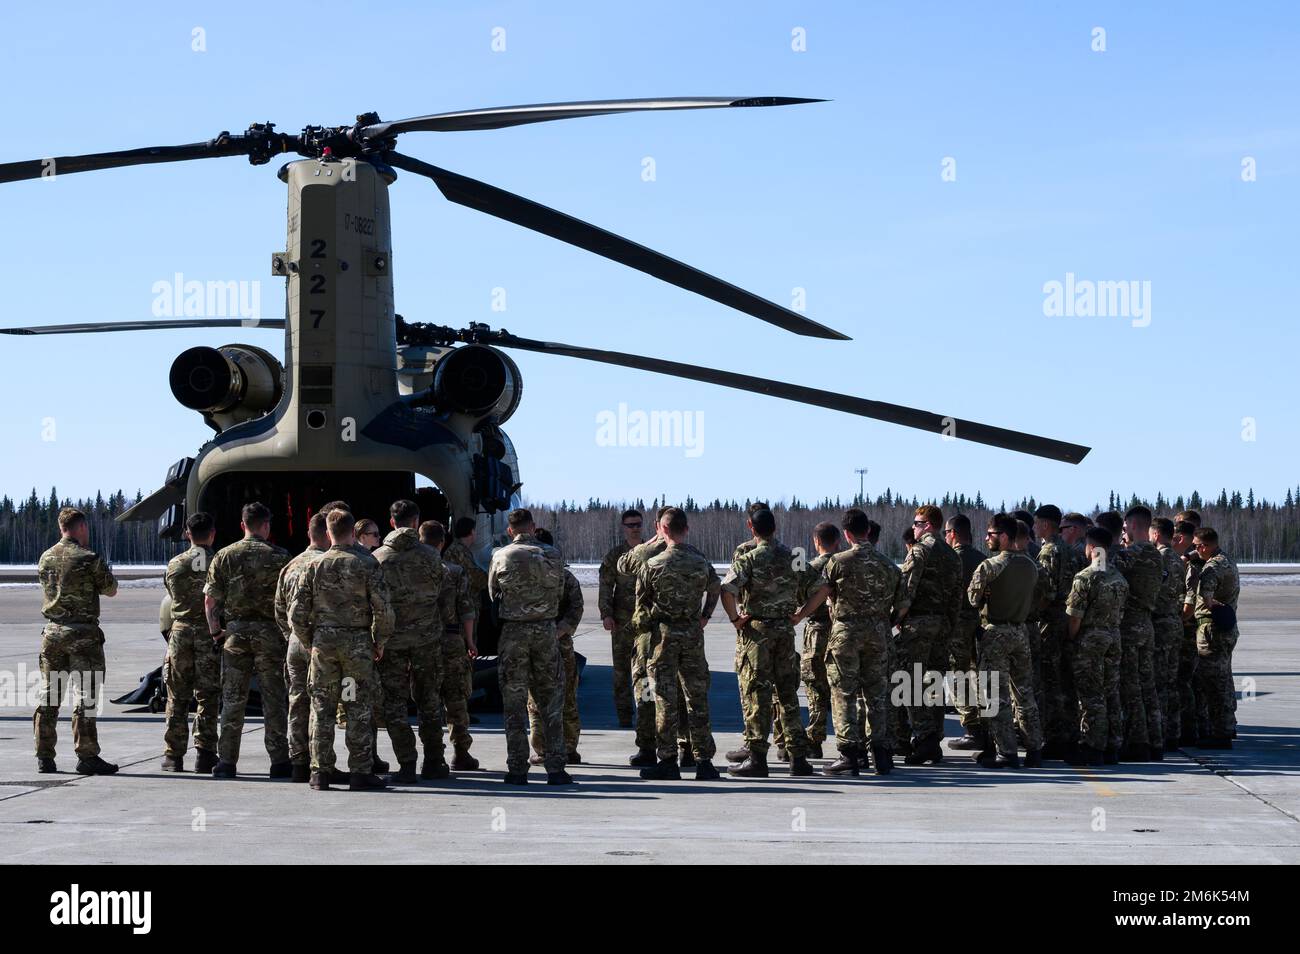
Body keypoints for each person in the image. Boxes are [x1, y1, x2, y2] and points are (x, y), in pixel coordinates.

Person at [289, 508, 393, 790]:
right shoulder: (367, 564)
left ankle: (319, 772)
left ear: (328, 531)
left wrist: (311, 641)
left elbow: (296, 613)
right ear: (351, 531)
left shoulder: (314, 566)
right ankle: (360, 771)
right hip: (357, 645)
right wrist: (378, 642)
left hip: (324, 645)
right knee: (357, 705)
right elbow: (383, 610)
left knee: (321, 707)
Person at [793, 508, 900, 776]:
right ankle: (881, 754)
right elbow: (900, 600)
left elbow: (822, 593)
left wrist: (799, 615)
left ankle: (850, 755)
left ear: (847, 534)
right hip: (878, 633)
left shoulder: (839, 562)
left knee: (843, 693)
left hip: (847, 633)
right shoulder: (888, 565)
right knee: (876, 694)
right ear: (867, 531)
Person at [721, 508, 814, 777]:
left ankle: (758, 758)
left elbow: (726, 590)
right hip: (785, 630)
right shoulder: (794, 556)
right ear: (775, 527)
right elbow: (821, 586)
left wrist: (735, 618)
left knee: (757, 695)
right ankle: (798, 757)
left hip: (757, 632)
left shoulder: (749, 558)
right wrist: (800, 614)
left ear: (751, 527)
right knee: (788, 694)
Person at [634, 507, 723, 781]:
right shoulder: (700, 562)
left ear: (662, 530)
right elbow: (715, 587)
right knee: (697, 698)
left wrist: (646, 627)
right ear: (686, 530)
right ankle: (704, 761)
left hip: (664, 638)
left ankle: (668, 760)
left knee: (664, 700)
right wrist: (705, 615)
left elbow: (640, 609)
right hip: (693, 636)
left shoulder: (653, 565)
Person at [488, 508, 574, 785]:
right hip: (546, 631)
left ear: (510, 530)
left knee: (514, 702)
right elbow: (560, 591)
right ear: (533, 527)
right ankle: (556, 768)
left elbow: (492, 594)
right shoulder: (553, 554)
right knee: (550, 700)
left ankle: (516, 768)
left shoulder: (500, 555)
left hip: (514, 632)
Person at [204, 502, 290, 779]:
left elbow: (210, 600)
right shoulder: (280, 557)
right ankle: (279, 761)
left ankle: (227, 761)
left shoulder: (225, 556)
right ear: (266, 526)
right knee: (274, 700)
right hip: (270, 634)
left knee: (232, 699)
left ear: (243, 525)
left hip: (236, 634)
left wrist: (216, 631)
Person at [34, 506, 119, 775]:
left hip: (53, 634)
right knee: (86, 697)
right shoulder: (89, 557)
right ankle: (87, 755)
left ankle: (44, 756)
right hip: (82, 636)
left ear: (62, 528)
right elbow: (111, 589)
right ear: (80, 527)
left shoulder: (46, 558)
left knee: (50, 695)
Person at [373, 499, 447, 784]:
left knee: (394, 703)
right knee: (429, 700)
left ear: (391, 522)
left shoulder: (377, 558)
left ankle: (406, 763)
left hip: (391, 642)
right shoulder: (431, 557)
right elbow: (442, 594)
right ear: (416, 522)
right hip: (426, 639)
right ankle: (433, 761)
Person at [967, 513, 1043, 768]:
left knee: (994, 695)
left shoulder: (989, 567)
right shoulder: (1031, 565)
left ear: (1005, 537)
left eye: (991, 534)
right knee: (1024, 693)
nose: (987, 538)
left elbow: (972, 599)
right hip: (1020, 633)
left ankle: (1007, 750)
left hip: (995, 633)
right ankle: (1034, 748)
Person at [892, 505, 963, 764]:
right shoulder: (952, 556)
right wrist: (949, 626)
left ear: (929, 525)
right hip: (943, 624)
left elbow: (906, 593)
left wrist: (896, 619)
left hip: (919, 624)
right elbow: (957, 598)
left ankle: (925, 740)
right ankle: (935, 735)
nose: (914, 527)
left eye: (917, 523)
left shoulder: (920, 551)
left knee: (911, 683)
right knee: (933, 682)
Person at [273, 510, 332, 783]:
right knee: (322, 703)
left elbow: (279, 609)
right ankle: (322, 764)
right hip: (321, 642)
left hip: (295, 643)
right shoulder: (327, 564)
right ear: (329, 534)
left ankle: (298, 762)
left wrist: (293, 637)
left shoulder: (290, 565)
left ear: (309, 533)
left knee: (297, 701)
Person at [1062, 527, 1128, 766]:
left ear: (1092, 548)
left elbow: (1074, 617)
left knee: (1091, 695)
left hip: (1090, 641)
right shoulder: (1118, 577)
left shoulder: (1085, 577)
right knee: (1111, 693)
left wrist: (1071, 638)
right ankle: (1113, 744)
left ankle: (1093, 744)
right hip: (1113, 637)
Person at [162, 512, 220, 773]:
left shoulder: (175, 564)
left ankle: (173, 755)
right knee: (207, 695)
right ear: (212, 533)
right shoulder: (219, 562)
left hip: (181, 633)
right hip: (208, 633)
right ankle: (205, 753)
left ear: (188, 534)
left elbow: (170, 593)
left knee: (177, 696)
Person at [422, 520, 479, 772]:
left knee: (428, 700)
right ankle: (461, 753)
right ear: (442, 542)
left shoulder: (413, 571)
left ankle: (432, 757)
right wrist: (470, 641)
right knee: (456, 699)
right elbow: (467, 610)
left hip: (423, 642)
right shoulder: (454, 571)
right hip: (452, 639)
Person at [529, 528, 583, 765]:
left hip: (551, 643)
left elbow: (575, 606)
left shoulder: (559, 576)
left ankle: (553, 749)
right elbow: (576, 608)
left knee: (550, 698)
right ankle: (559, 748)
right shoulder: (560, 575)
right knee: (553, 698)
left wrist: (559, 630)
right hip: (554, 641)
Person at [1033, 504, 1082, 760]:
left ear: (1044, 525)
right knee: (1067, 680)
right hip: (1069, 620)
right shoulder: (1073, 552)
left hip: (1051, 622)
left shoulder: (1049, 551)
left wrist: (1034, 612)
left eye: (1036, 523)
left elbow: (1047, 591)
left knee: (1050, 682)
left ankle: (1054, 738)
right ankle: (1072, 734)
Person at [794, 521, 840, 758]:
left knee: (815, 688)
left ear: (815, 542)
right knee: (843, 687)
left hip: (816, 631)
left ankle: (815, 738)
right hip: (841, 631)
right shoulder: (843, 565)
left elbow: (797, 598)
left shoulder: (810, 568)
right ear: (837, 541)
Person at [1190, 528, 1239, 748]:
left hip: (1212, 631)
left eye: (1197, 546)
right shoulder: (1227, 560)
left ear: (1204, 546)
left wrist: (1210, 604)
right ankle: (1227, 726)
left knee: (1213, 683)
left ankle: (1220, 733)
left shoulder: (1212, 567)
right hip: (1226, 629)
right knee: (1224, 679)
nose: (1195, 550)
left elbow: (1206, 598)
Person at [598, 509, 644, 728]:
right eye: (630, 525)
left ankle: (646, 714)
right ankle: (625, 716)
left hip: (647, 623)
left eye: (638, 524)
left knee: (645, 672)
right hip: (621, 621)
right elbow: (606, 586)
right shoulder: (615, 555)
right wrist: (606, 614)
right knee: (621, 672)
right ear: (623, 528)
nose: (634, 529)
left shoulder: (651, 552)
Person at [944, 514, 987, 750]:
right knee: (978, 675)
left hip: (958, 623)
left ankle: (971, 727)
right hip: (979, 622)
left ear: (953, 534)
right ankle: (984, 723)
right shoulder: (982, 559)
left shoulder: (952, 560)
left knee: (956, 675)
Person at [1151, 517, 1186, 751]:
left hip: (1162, 622)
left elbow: (1153, 589)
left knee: (1161, 680)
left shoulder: (1161, 558)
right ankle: (1174, 730)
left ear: (1156, 534)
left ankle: (1162, 731)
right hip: (1174, 620)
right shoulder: (1177, 558)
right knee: (1171, 681)